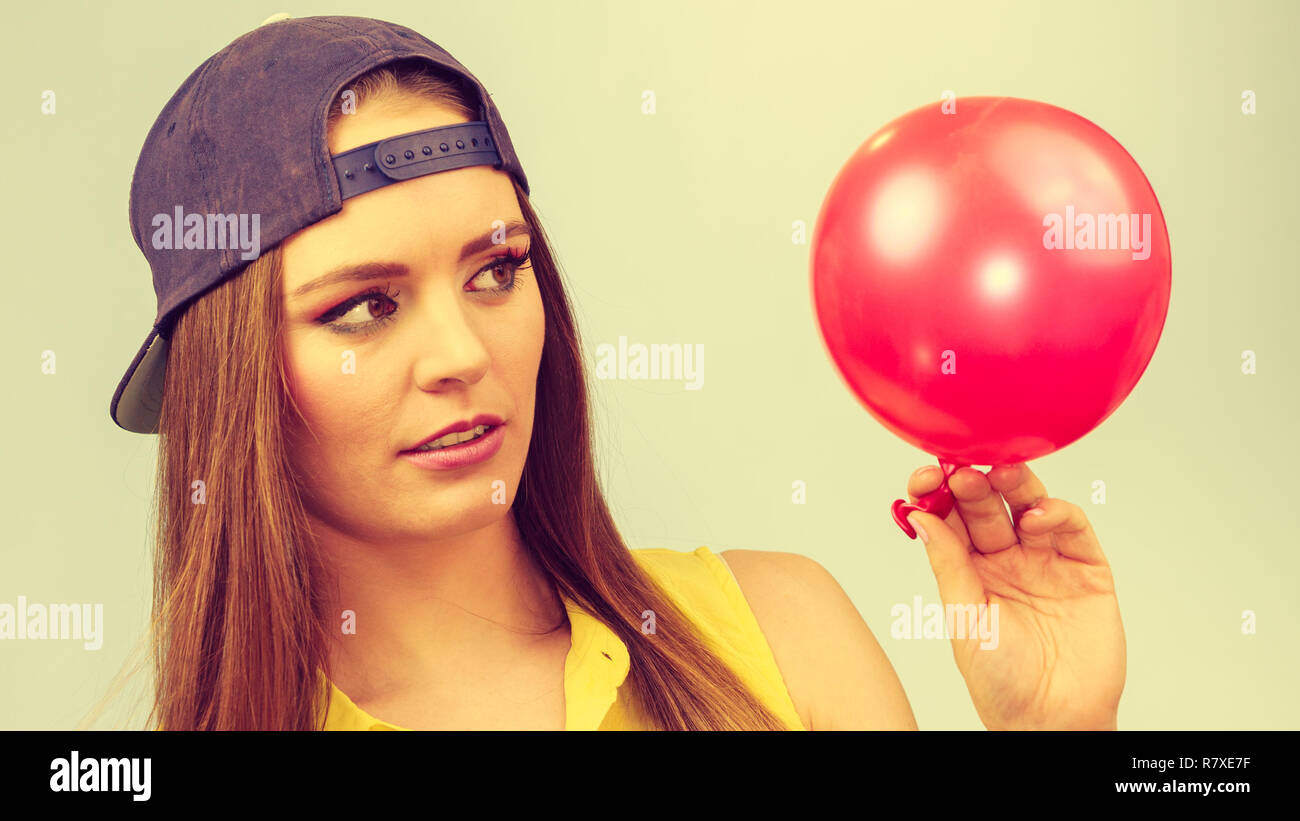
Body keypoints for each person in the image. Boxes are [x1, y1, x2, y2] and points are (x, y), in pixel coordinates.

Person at [108, 15, 1125, 731]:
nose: (465, 354)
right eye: (363, 306)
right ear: (230, 382)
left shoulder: (782, 633)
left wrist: (1055, 729)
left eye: (496, 270)